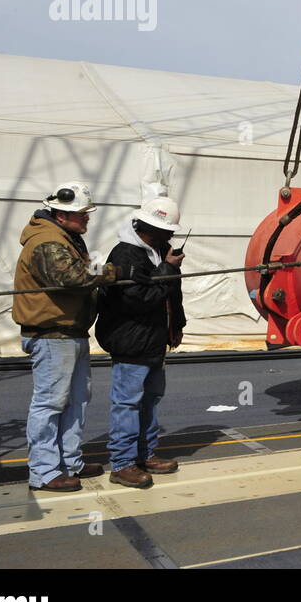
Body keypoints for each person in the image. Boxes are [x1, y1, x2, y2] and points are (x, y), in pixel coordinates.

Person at [12, 182, 117, 492]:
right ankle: (44, 472)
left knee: (75, 401)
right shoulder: (47, 240)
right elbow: (70, 277)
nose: (87, 219)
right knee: (50, 403)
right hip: (51, 334)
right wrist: (114, 272)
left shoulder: (64, 238)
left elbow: (79, 269)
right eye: (82, 214)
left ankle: (69, 462)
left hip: (69, 332)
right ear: (61, 213)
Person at [96, 197, 186, 489]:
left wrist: (177, 325)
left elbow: (172, 295)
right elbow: (139, 300)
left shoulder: (160, 251)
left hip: (154, 340)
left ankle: (144, 455)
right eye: (167, 230)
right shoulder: (124, 255)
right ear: (150, 227)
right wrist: (168, 270)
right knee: (127, 403)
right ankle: (122, 463)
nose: (172, 236)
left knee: (150, 399)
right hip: (131, 340)